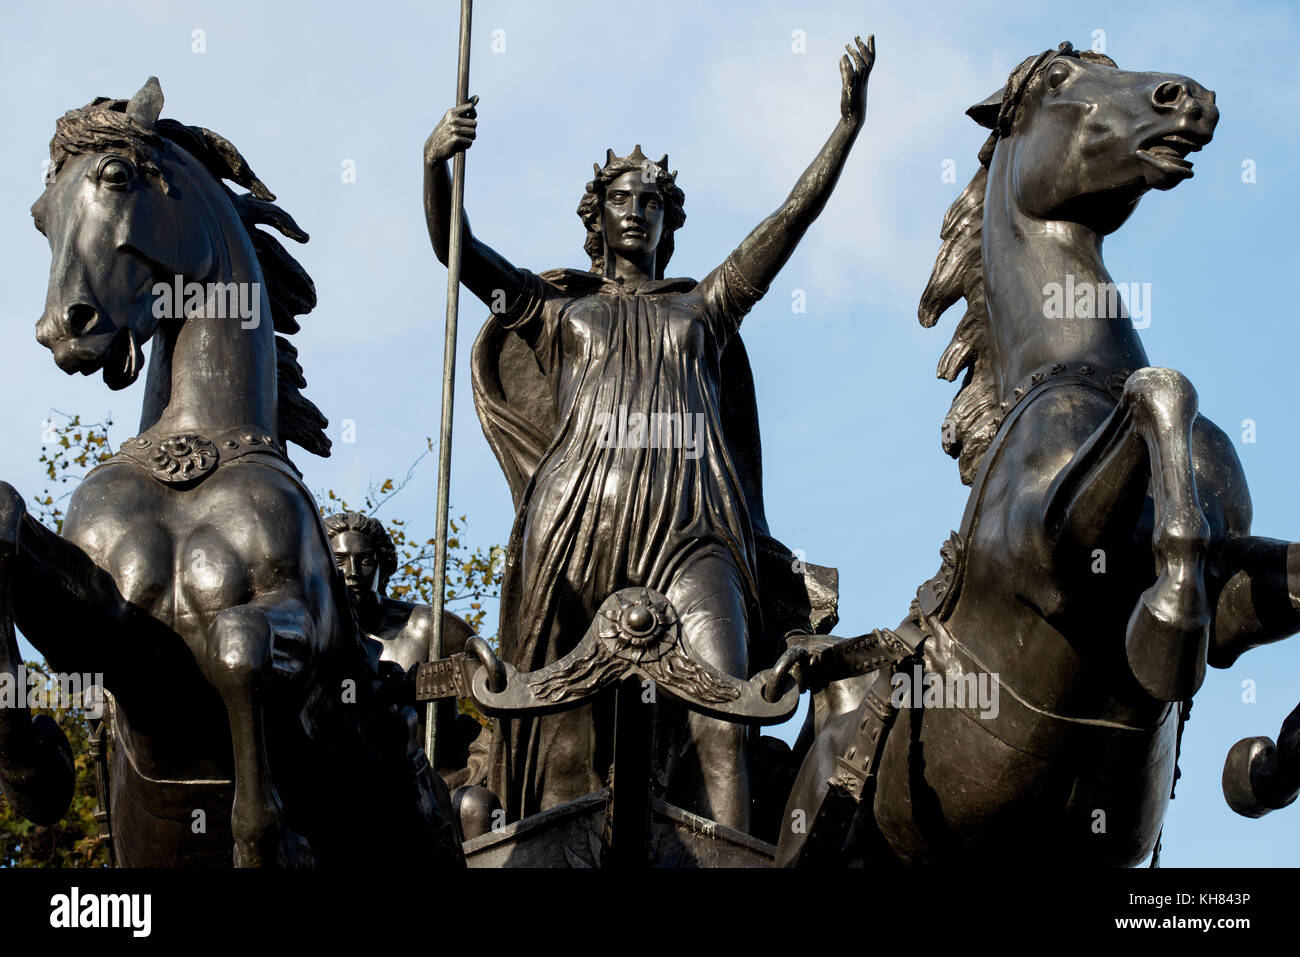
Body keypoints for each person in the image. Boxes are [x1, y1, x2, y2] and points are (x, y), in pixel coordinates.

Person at [424, 36, 874, 831]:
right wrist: (435, 167)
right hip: (574, 522)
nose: (639, 213)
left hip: (695, 525)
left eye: (654, 203)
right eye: (624, 201)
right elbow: (457, 252)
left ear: (670, 223)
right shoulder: (556, 312)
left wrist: (845, 127)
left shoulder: (704, 306)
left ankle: (729, 851)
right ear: (597, 219)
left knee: (724, 712)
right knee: (542, 711)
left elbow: (789, 220)